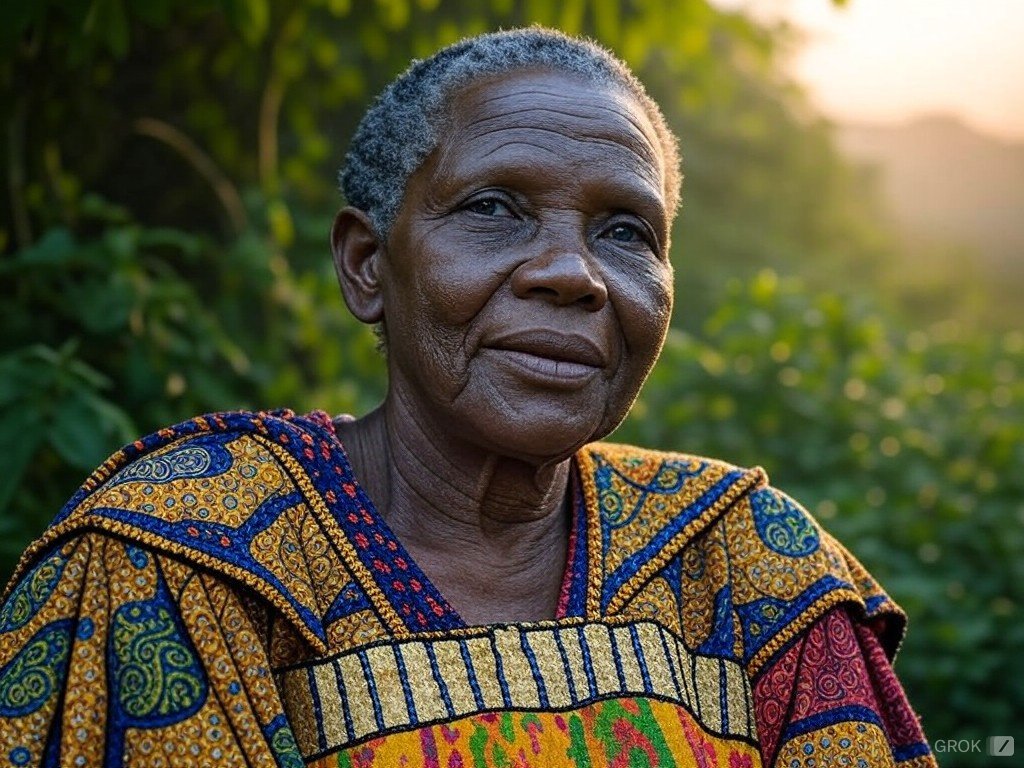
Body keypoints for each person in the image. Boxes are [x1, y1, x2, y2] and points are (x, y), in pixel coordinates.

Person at [0, 27, 935, 768]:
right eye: (493, 208)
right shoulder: (183, 559)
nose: (574, 274)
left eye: (625, 230)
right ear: (368, 266)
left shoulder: (749, 566)